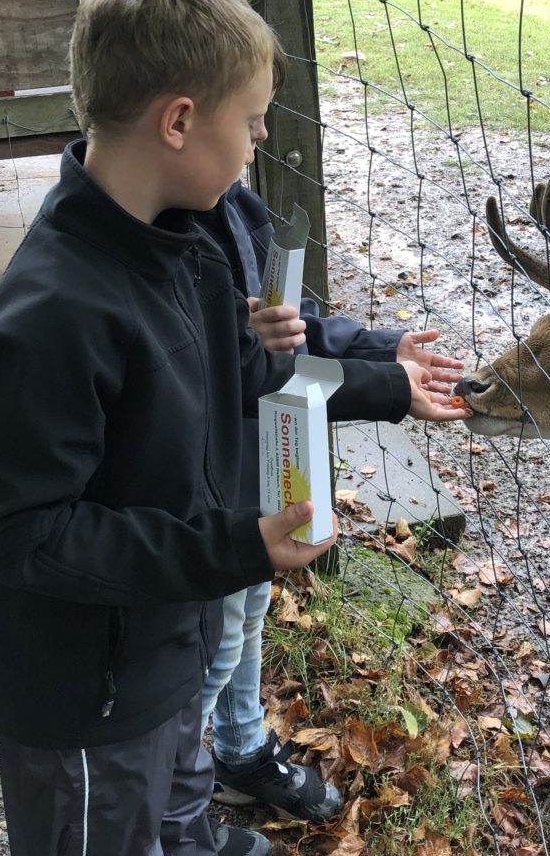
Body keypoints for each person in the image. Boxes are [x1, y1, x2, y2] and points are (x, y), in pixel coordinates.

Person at [0, 0, 468, 856]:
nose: (261, 139)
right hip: (80, 692)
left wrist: (379, 386)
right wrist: (229, 546)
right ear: (180, 120)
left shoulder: (177, 245)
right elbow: (18, 531)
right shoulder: (57, 315)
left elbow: (251, 371)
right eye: (254, 119)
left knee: (179, 811)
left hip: (158, 642)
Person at [199, 183, 464, 822]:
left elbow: (284, 329)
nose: (261, 133)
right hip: (209, 476)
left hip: (252, 464)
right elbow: (242, 366)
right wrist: (387, 387)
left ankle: (238, 751)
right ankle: (170, 815)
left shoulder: (237, 207)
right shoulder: (179, 240)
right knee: (214, 641)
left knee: (250, 609)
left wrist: (375, 348)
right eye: (249, 115)